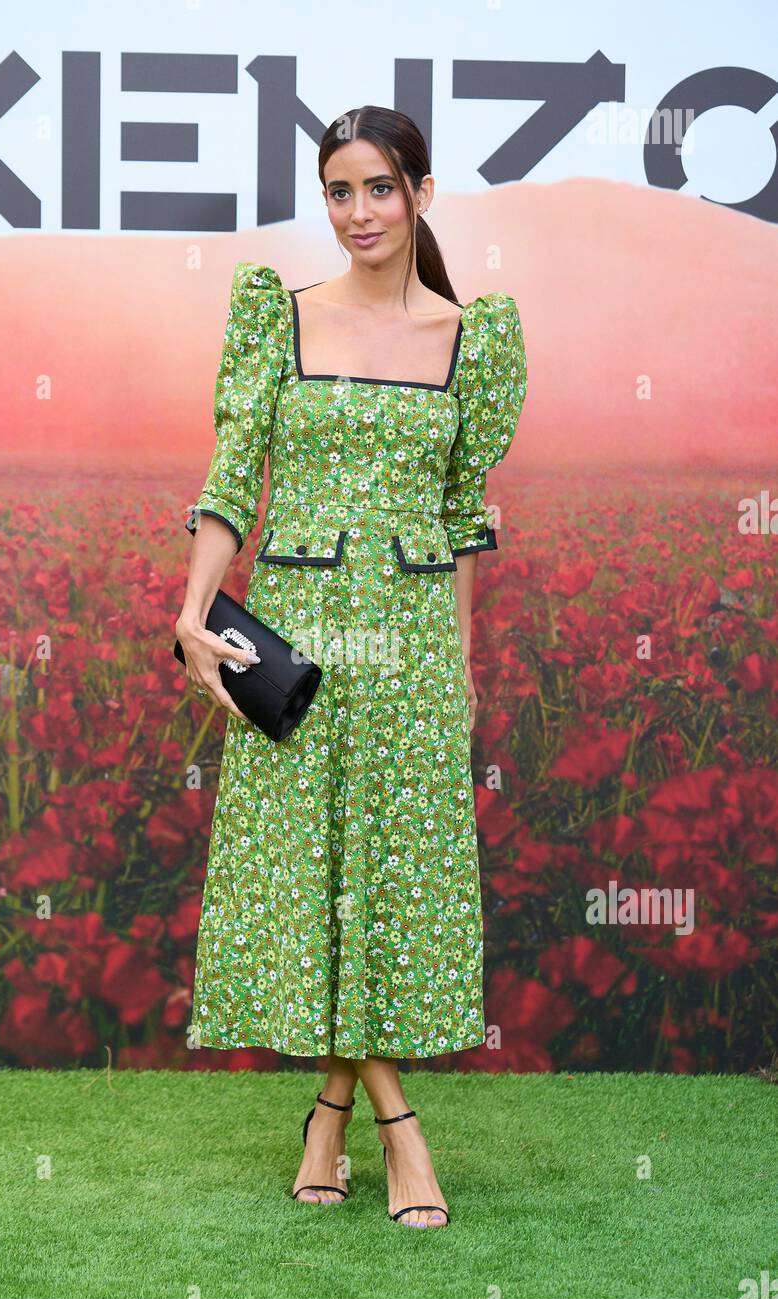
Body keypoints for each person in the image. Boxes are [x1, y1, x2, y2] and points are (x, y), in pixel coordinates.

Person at [174, 104, 527, 1228]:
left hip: (410, 651)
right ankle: (397, 1125)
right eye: (338, 191)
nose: (358, 212)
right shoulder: (275, 317)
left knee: (389, 879)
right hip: (297, 646)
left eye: (379, 188)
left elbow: (463, 517)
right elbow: (232, 478)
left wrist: (459, 663)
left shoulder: (475, 339)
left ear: (419, 192)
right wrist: (193, 609)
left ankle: (327, 1111)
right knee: (308, 873)